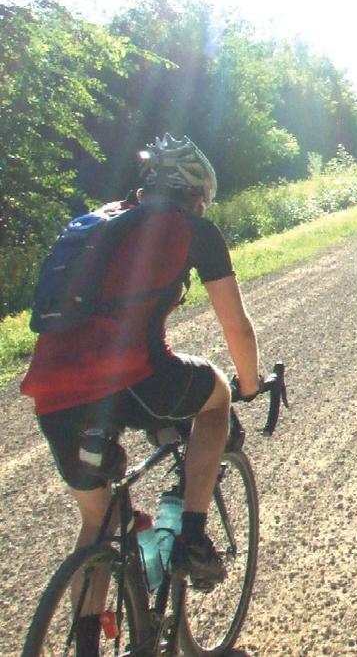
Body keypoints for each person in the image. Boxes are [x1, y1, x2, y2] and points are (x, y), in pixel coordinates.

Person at [20, 134, 261, 657]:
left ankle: (87, 644)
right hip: (131, 376)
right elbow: (236, 328)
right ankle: (193, 535)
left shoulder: (97, 222)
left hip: (52, 391)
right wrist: (249, 384)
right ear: (196, 193)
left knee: (99, 522)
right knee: (216, 399)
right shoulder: (193, 229)